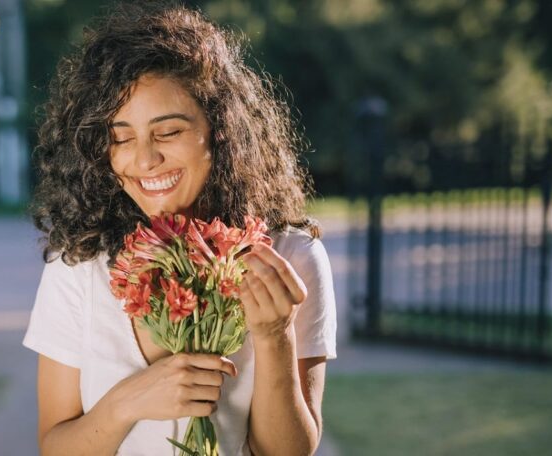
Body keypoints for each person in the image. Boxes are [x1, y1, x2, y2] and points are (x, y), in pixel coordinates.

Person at [22, 2, 337, 455]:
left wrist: (274, 336)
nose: (145, 160)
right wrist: (127, 402)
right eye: (121, 137)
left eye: (167, 132)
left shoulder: (291, 256)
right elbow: (54, 447)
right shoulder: (79, 266)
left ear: (220, 130)